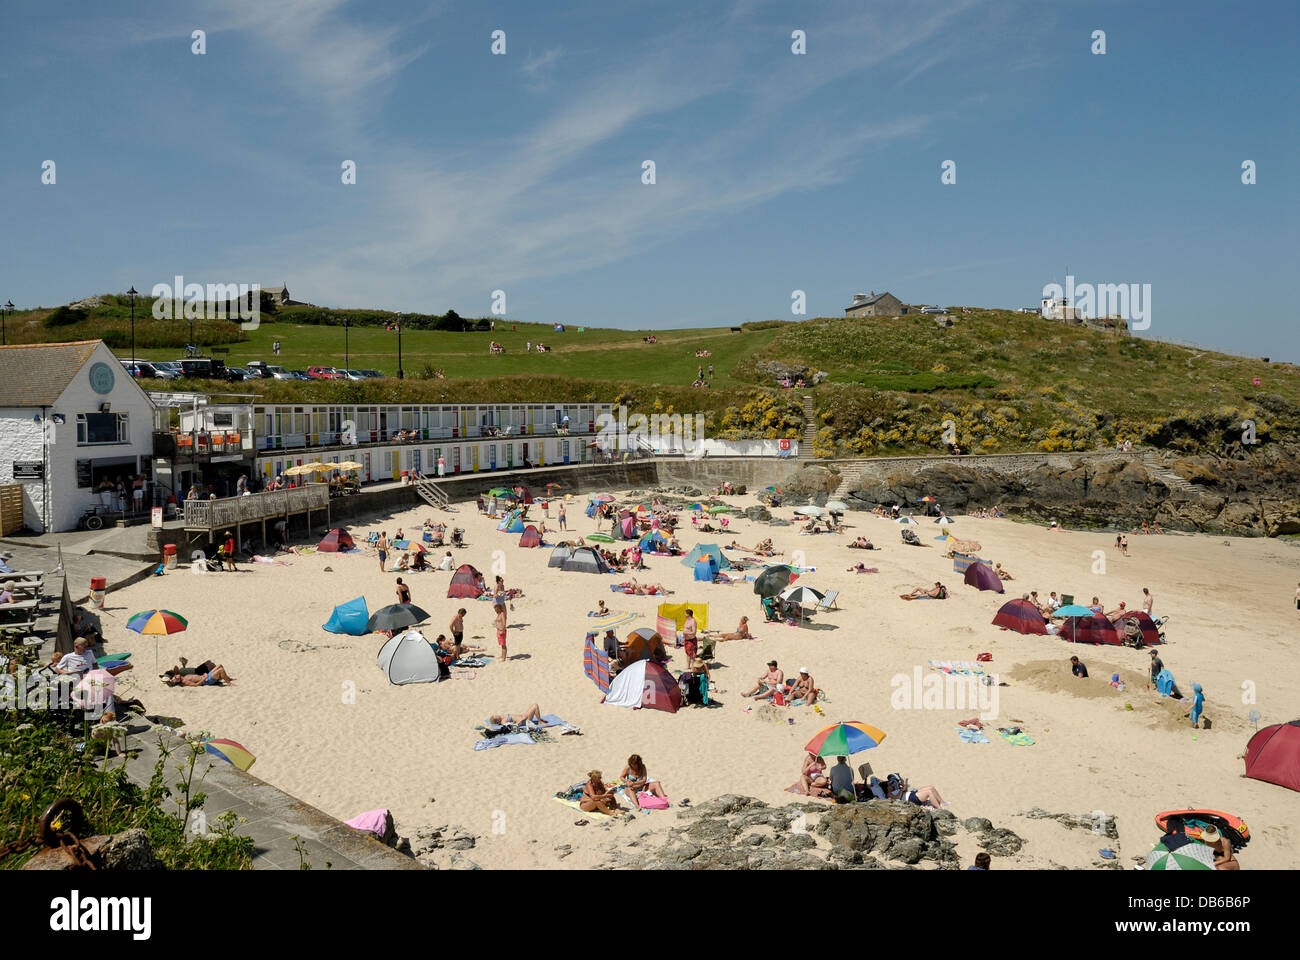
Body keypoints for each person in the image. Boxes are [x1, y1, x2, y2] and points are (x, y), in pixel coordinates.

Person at [165, 662, 234, 686]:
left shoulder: (184, 676)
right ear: (178, 681)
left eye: (175, 676)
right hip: (207, 680)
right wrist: (204, 678)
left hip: (205, 676)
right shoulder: (185, 681)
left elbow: (176, 668)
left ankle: (228, 679)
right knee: (220, 670)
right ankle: (229, 683)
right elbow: (196, 685)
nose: (176, 677)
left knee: (220, 665)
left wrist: (203, 675)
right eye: (175, 679)